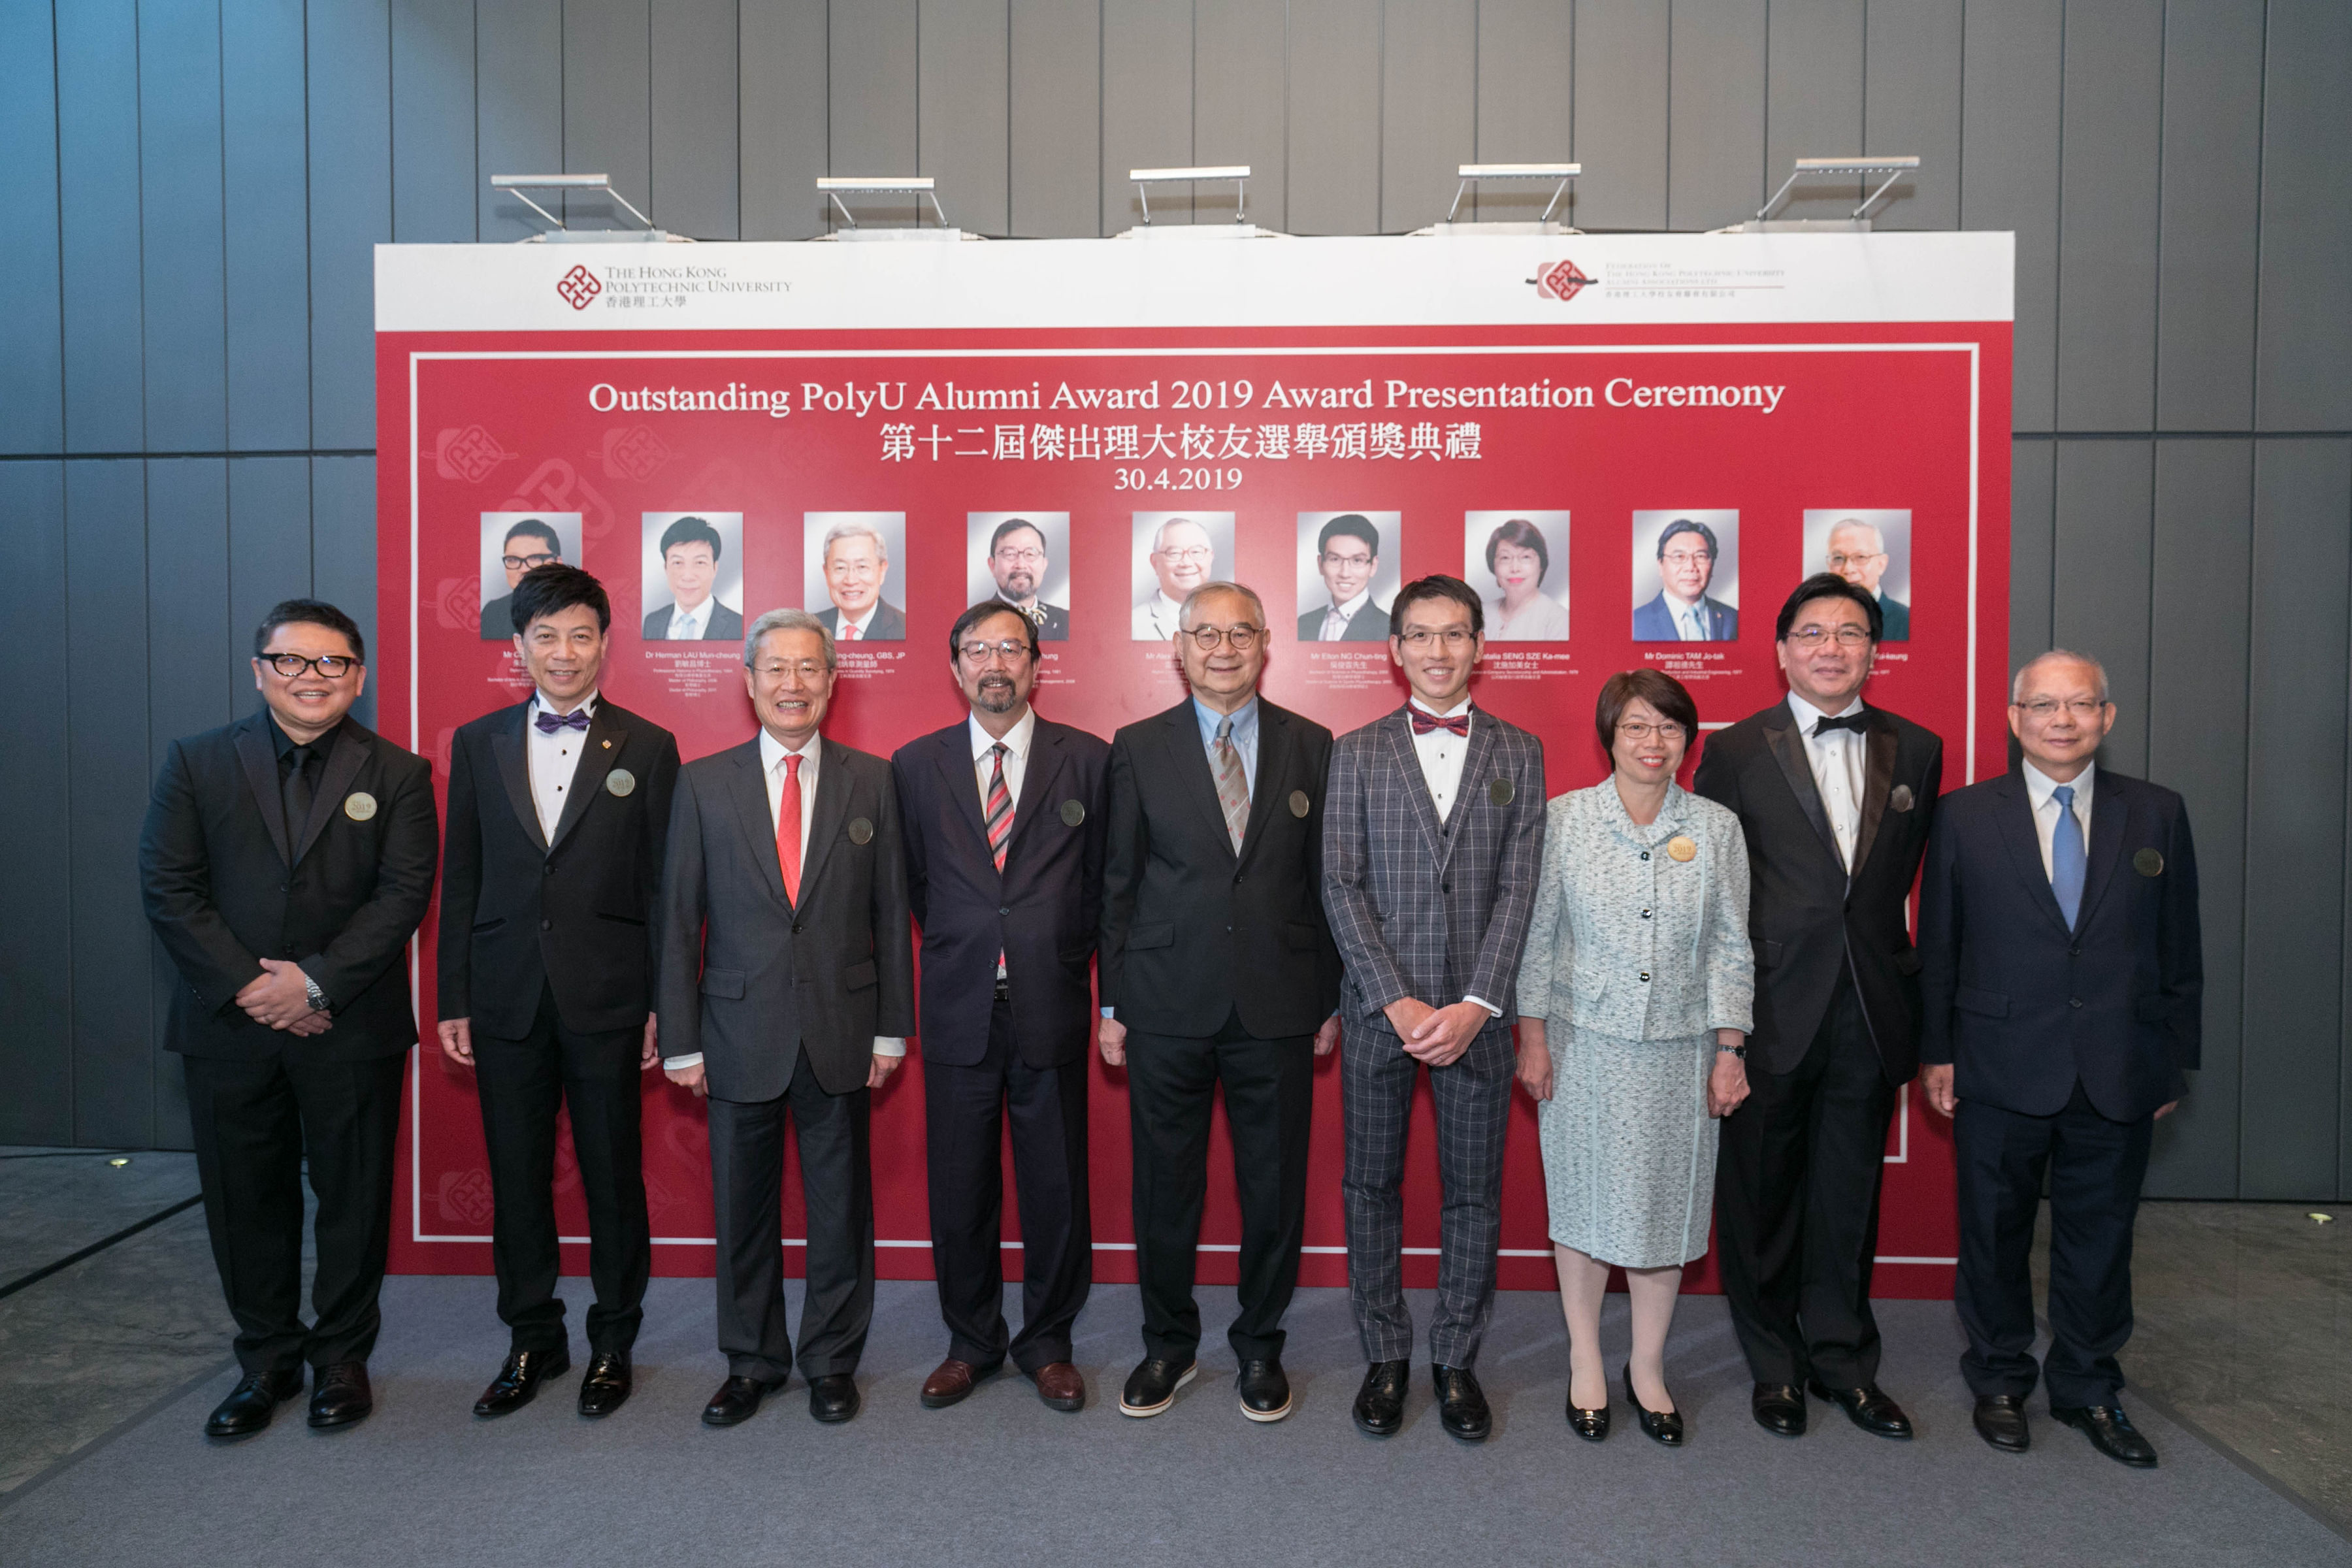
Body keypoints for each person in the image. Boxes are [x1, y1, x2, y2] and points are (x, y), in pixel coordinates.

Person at [140, 599, 437, 1437]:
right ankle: (266, 1359)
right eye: (293, 661)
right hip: (229, 1028)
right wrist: (252, 988)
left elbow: (402, 896)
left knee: (353, 1196)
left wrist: (313, 986)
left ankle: (342, 1357)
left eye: (333, 662)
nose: (314, 677)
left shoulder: (399, 774)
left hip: (350, 1025)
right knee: (246, 1198)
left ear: (360, 676)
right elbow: (169, 887)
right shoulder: (197, 763)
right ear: (258, 669)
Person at [1919, 651, 2200, 1467]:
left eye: (2080, 705)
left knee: (2101, 1238)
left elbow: (2181, 946)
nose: (2062, 720)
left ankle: (2087, 1386)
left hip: (2120, 1065)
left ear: (2107, 718)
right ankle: (2001, 1379)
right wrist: (1936, 1051)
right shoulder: (1966, 815)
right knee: (1995, 1233)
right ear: (2015, 720)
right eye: (2044, 706)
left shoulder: (2158, 814)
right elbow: (1940, 942)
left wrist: (2171, 1060)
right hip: (1999, 1061)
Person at [1693, 572, 1942, 1441]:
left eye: (1849, 633)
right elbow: (1713, 895)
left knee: (1849, 1196)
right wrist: (1720, 1025)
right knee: (1760, 1196)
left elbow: (1905, 889)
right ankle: (1775, 1366)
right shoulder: (1732, 750)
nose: (1830, 648)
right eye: (1811, 633)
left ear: (1875, 650)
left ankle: (1843, 1361)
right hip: (1764, 1007)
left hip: (1872, 1008)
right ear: (1780, 651)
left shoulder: (1918, 748)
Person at [657, 608, 916, 1428]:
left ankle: (832, 1361)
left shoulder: (873, 779)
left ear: (833, 681)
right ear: (749, 680)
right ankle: (752, 1362)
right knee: (742, 1212)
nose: (793, 685)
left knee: (841, 1210)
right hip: (735, 1033)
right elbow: (677, 920)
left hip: (842, 1029)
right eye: (776, 669)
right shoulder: (702, 782)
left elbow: (891, 912)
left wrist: (890, 1028)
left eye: (810, 669)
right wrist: (680, 1040)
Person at [438, 564, 680, 1420]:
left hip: (610, 999)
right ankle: (532, 1338)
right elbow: (458, 878)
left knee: (614, 1176)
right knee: (517, 1178)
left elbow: (662, 891)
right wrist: (452, 998)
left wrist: (663, 1003)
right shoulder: (476, 742)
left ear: (606, 644)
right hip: (504, 999)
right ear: (518, 647)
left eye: (581, 635)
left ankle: (614, 1340)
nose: (564, 652)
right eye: (545, 635)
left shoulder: (648, 747)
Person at [1098, 581, 1342, 1422]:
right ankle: (1168, 1346)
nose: (1224, 648)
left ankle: (1260, 1346)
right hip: (1165, 1001)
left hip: (1279, 1002)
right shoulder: (1137, 745)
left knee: (1272, 1188)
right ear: (1179, 646)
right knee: (1168, 1187)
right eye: (1206, 633)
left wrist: (1329, 997)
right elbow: (1118, 883)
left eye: (1241, 632)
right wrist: (1112, 1003)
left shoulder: (1314, 744)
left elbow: (1327, 884)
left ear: (1267, 642)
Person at [1321, 575, 1546, 1443]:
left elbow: (1518, 889)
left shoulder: (1519, 752)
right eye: (1420, 636)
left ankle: (1456, 1358)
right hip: (1383, 1012)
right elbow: (1339, 885)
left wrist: (1477, 1003)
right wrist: (1399, 998)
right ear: (1395, 650)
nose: (1439, 652)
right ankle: (1385, 1354)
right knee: (1370, 1187)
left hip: (1477, 1020)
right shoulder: (1357, 750)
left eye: (1456, 635)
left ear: (1480, 647)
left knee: (1472, 1197)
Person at [1514, 671, 1753, 1446]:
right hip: (1584, 1047)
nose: (1655, 744)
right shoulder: (1565, 821)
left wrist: (1729, 1048)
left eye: (1671, 729)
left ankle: (1646, 1368)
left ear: (1689, 738)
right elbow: (1538, 939)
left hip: (1683, 1052)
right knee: (1581, 1206)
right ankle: (1587, 1358)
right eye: (1637, 728)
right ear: (1609, 737)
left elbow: (1730, 946)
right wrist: (1534, 1036)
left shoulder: (1716, 828)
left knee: (1664, 1212)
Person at [892, 603, 1108, 1413]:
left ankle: (1048, 1342)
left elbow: (1102, 891)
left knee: (1056, 1186)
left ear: (1036, 664)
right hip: (957, 1005)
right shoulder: (915, 766)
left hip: (1050, 1000)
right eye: (977, 650)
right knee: (961, 1186)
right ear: (954, 668)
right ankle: (972, 1341)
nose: (995, 663)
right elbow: (915, 886)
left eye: (1010, 649)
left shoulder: (1087, 760)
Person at [642, 515, 745, 642]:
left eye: (700, 563)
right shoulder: (652, 623)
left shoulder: (739, 626)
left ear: (715, 568)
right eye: (678, 563)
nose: (688, 576)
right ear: (665, 568)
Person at [1632, 519, 1738, 642]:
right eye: (1679, 557)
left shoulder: (1734, 619)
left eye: (1700, 557)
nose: (1691, 567)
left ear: (1712, 565)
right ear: (1660, 565)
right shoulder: (1635, 624)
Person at [1296, 514, 1388, 642]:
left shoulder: (1389, 628)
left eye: (1357, 560)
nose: (1345, 573)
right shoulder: (1303, 624)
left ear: (1373, 566)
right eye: (1335, 559)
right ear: (1320, 564)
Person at [813, 520, 906, 641]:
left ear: (882, 571)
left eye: (862, 567)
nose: (851, 580)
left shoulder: (904, 628)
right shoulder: (810, 628)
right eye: (840, 568)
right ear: (826, 573)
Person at [1482, 519, 1570, 641]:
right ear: (1493, 566)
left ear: (1541, 566)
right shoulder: (1481, 615)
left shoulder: (1558, 620)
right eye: (1505, 558)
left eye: (1526, 557)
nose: (1515, 568)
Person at [1825, 517, 1909, 642]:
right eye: (1838, 558)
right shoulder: (1816, 618)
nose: (1848, 569)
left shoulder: (1906, 621)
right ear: (1829, 565)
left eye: (1860, 557)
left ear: (1881, 564)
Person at [985, 518, 1070, 640]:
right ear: (992, 565)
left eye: (1030, 554)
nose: (1021, 565)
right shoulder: (976, 621)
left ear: (1044, 566)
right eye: (1010, 554)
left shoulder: (1066, 620)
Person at [1131, 517, 1215, 640]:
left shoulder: (1230, 617)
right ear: (1155, 563)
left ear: (1210, 558)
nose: (1186, 562)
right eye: (1174, 553)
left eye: (1196, 552)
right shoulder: (1135, 624)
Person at [482, 519, 563, 640]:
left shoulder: (578, 609)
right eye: (513, 559)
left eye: (535, 558)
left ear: (558, 563)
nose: (524, 569)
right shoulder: (492, 612)